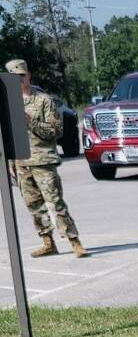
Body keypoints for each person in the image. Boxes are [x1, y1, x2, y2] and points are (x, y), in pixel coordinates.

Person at [5, 60, 86, 259]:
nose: (19, 80)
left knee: (55, 203)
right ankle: (47, 242)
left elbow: (55, 132)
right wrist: (9, 162)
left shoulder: (43, 100)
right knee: (34, 206)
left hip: (42, 160)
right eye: (14, 77)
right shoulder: (7, 102)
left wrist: (29, 120)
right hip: (21, 162)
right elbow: (8, 135)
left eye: (22, 76)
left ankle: (74, 242)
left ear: (29, 75)